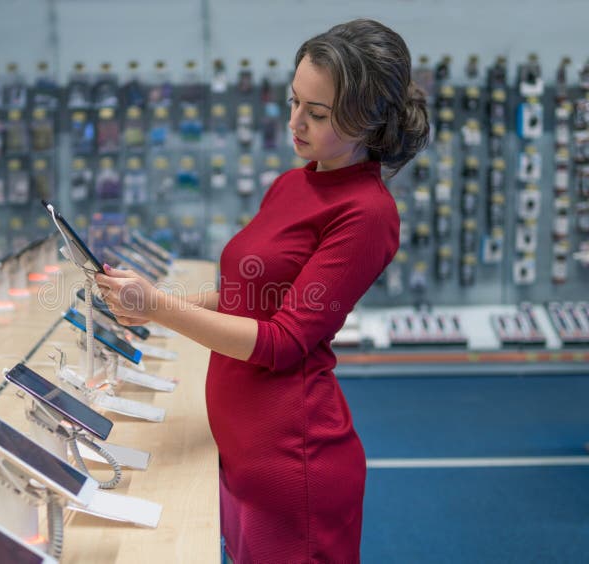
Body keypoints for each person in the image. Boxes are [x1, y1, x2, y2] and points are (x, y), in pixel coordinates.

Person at [95, 18, 429, 563]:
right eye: (294, 101)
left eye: (317, 114)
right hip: (243, 451)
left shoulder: (367, 212)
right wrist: (153, 306)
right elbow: (244, 297)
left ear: (369, 121)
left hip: (293, 465)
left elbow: (282, 341)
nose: (296, 122)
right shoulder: (293, 182)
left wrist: (159, 306)